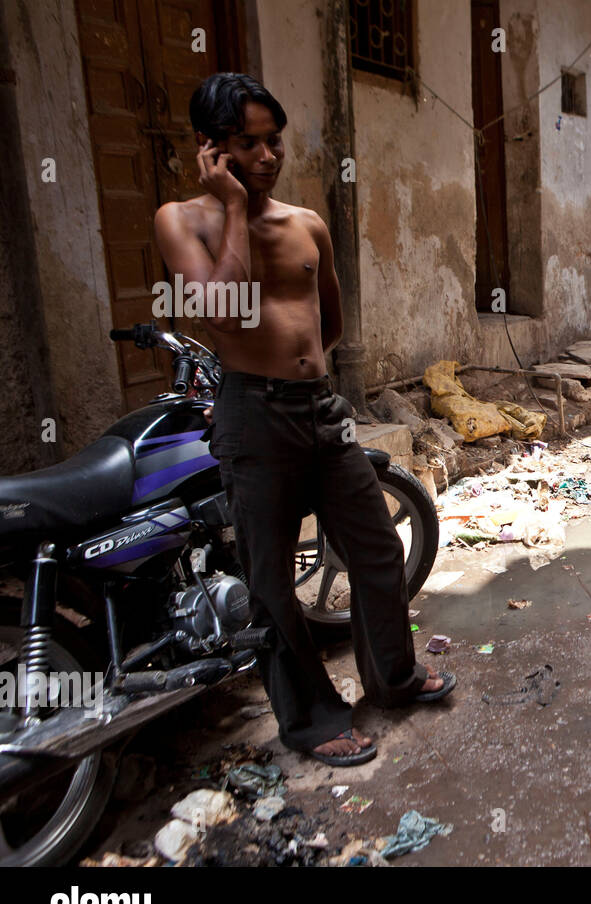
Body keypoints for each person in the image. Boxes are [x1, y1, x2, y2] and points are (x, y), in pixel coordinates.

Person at [153, 73, 454, 768]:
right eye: (247, 145)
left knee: (377, 549)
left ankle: (394, 678)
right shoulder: (182, 221)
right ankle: (312, 718)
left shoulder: (305, 223)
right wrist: (231, 205)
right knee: (271, 581)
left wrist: (306, 370)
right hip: (252, 417)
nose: (267, 157)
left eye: (274, 141)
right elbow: (227, 311)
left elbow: (333, 320)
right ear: (210, 148)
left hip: (320, 411)